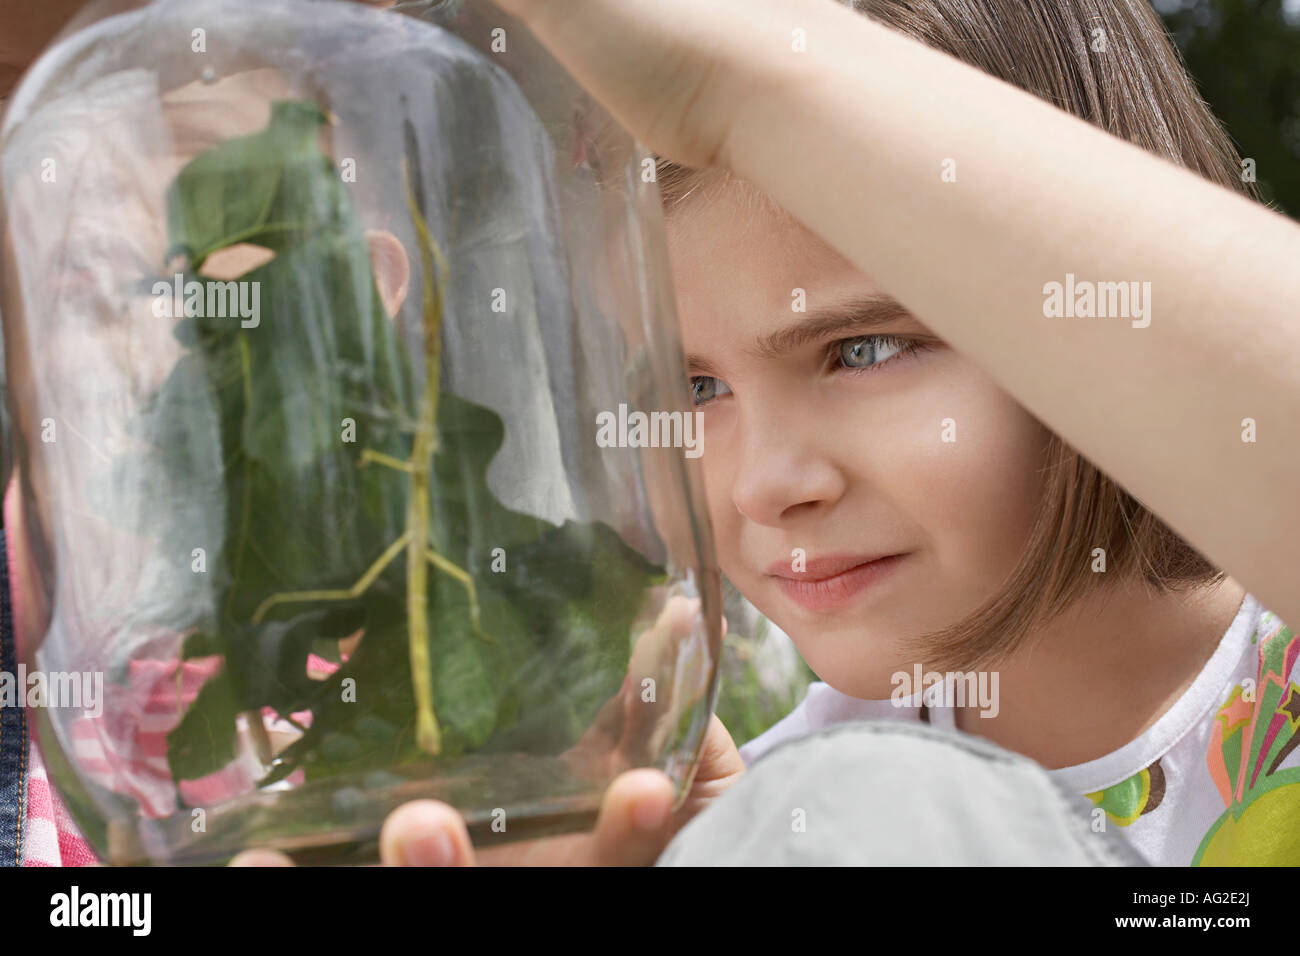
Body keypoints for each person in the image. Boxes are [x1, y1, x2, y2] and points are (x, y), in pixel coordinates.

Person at [5, 0, 1300, 866]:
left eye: (864, 348)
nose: (770, 482)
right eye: (689, 389)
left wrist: (732, 84)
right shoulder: (757, 805)